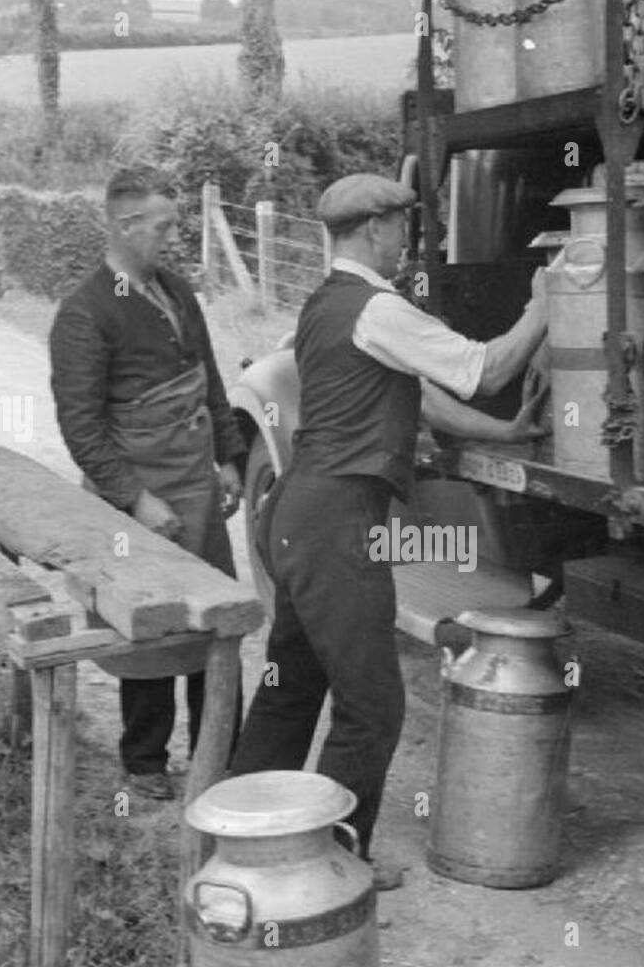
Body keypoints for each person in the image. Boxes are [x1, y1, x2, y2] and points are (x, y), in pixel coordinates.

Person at [228, 171, 548, 889]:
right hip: (337, 525)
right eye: (403, 227)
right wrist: (544, 308)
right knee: (373, 706)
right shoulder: (378, 308)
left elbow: (425, 396)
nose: (409, 241)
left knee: (290, 688)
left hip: (295, 518)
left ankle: (244, 840)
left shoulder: (323, 305)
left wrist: (506, 429)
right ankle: (336, 861)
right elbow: (482, 366)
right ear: (375, 230)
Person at [49, 166, 248, 802]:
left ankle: (221, 758)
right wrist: (133, 498)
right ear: (125, 225)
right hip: (137, 494)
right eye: (161, 225)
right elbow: (79, 424)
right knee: (151, 625)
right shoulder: (85, 313)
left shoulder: (176, 291)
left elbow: (208, 379)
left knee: (214, 621)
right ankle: (143, 761)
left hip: (194, 478)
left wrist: (231, 456)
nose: (171, 235)